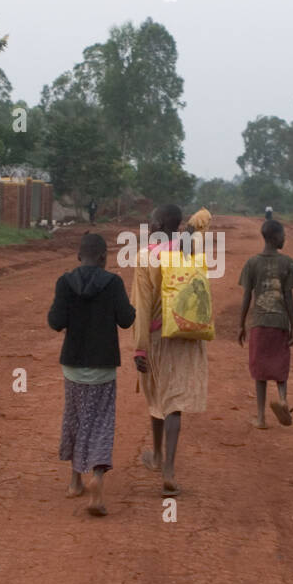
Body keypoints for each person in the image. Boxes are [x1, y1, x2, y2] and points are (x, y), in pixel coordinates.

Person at [47, 232, 136, 516]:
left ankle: (74, 482)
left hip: (73, 366)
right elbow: (126, 319)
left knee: (75, 418)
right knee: (100, 422)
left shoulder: (65, 282)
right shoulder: (113, 283)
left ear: (78, 256)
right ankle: (96, 478)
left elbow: (55, 321)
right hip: (102, 368)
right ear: (103, 258)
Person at [132, 204, 208, 496]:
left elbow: (140, 305)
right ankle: (169, 469)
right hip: (186, 333)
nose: (148, 224)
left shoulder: (145, 256)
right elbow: (203, 221)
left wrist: (139, 348)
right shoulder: (191, 251)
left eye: (151, 220)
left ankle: (156, 454)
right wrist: (191, 227)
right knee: (174, 400)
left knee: (157, 394)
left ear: (159, 223)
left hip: (155, 336)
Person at [238, 219, 293, 428]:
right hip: (280, 321)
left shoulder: (252, 263)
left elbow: (247, 296)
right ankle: (282, 400)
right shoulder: (288, 262)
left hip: (259, 322)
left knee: (259, 370)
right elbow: (289, 297)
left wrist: (241, 323)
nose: (285, 239)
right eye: (283, 235)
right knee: (281, 365)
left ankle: (261, 417)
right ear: (274, 237)